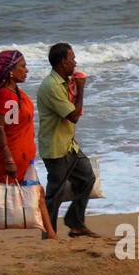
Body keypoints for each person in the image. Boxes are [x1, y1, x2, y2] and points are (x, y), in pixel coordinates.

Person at [0, 51, 55, 242]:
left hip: (24, 155)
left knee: (35, 193)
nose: (26, 70)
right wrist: (8, 158)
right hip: (8, 156)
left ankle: (50, 235)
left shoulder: (17, 93)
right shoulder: (4, 96)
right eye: (22, 66)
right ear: (10, 72)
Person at [37, 43, 97, 236]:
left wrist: (74, 86)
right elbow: (73, 115)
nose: (75, 62)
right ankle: (48, 233)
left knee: (87, 177)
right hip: (56, 147)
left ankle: (75, 222)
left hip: (69, 145)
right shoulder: (52, 86)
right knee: (55, 194)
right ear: (63, 61)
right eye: (72, 59)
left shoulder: (63, 83)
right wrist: (81, 88)